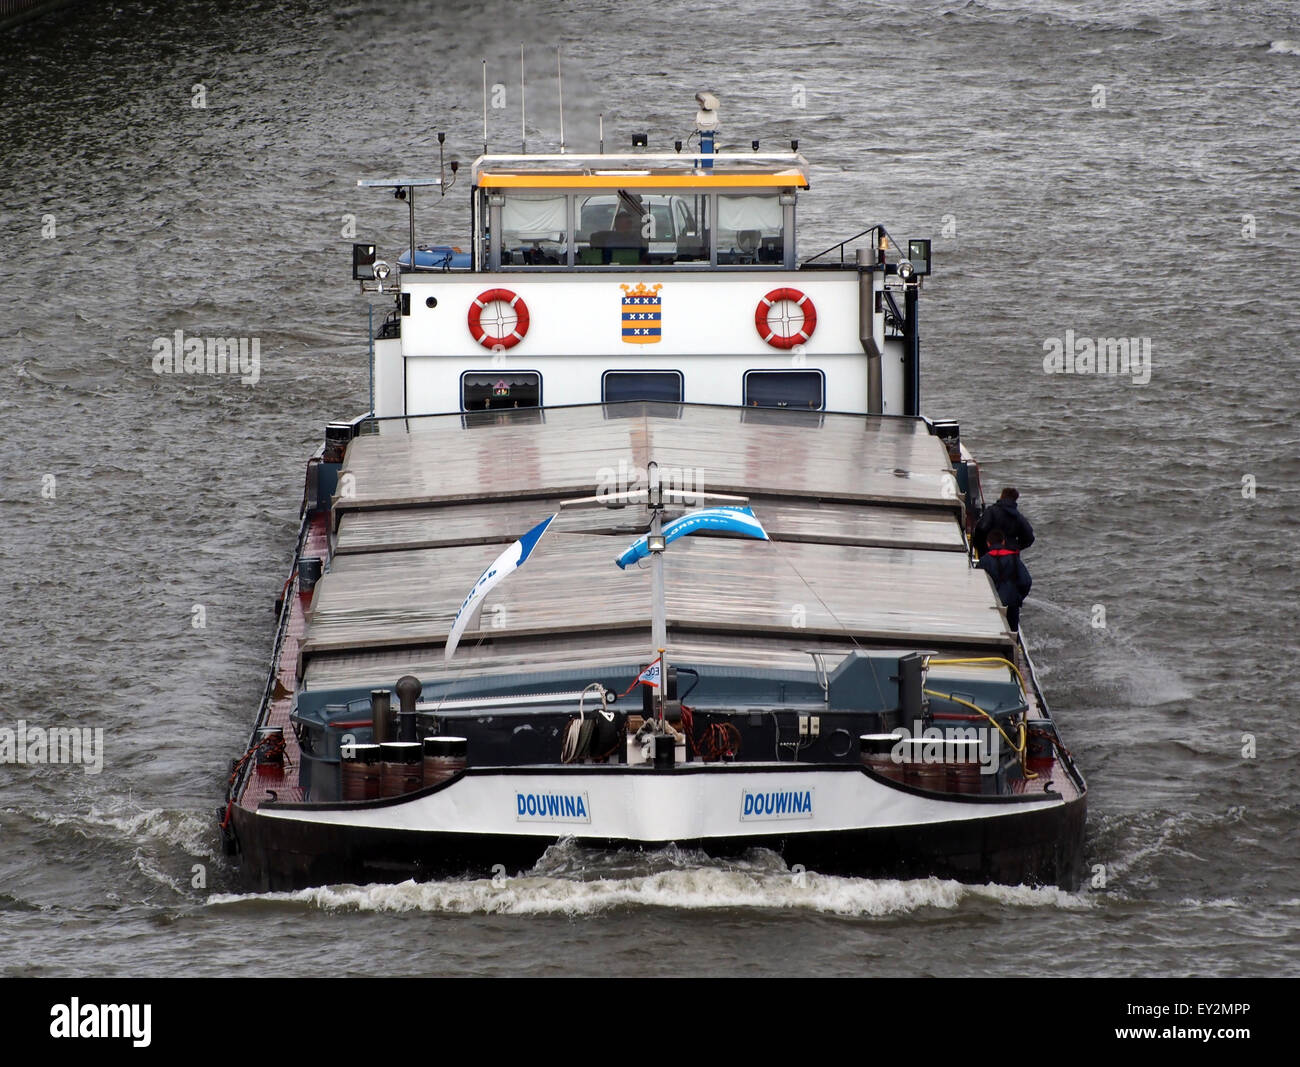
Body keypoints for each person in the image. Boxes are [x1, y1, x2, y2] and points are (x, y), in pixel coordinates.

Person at [978, 529, 1032, 630]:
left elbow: (978, 584)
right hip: (1012, 602)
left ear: (988, 544)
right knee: (1012, 631)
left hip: (992, 602)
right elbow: (1026, 581)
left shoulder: (984, 560)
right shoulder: (1014, 558)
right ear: (1003, 542)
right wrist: (1018, 597)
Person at [972, 486, 1034, 556]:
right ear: (1015, 499)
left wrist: (980, 547)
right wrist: (1016, 547)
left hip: (990, 552)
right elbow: (1029, 537)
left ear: (1002, 496)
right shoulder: (1018, 517)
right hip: (1010, 555)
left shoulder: (991, 511)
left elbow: (981, 529)